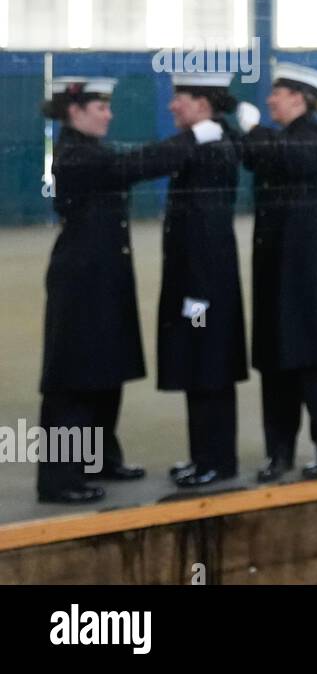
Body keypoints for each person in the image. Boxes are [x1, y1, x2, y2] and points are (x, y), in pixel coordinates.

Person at [37, 76, 221, 503]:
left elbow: (130, 162)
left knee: (105, 373)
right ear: (74, 111)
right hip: (80, 283)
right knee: (73, 381)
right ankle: (59, 480)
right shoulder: (75, 156)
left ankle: (100, 459)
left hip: (103, 278)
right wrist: (193, 137)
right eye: (100, 108)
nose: (109, 114)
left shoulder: (90, 149)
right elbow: (134, 166)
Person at [239, 63, 317, 482]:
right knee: (275, 361)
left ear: (299, 99)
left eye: (278, 93)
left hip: (303, 271)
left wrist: (252, 130)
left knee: (313, 360)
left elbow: (280, 156)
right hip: (275, 268)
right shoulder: (284, 136)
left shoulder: (311, 138)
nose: (270, 99)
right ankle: (279, 453)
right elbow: (255, 156)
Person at [160, 74, 248, 488]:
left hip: (204, 287)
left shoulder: (212, 149)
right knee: (199, 364)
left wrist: (197, 295)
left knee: (210, 367)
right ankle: (203, 457)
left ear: (202, 104)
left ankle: (217, 461)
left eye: (180, 98)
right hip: (198, 283)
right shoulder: (205, 142)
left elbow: (207, 227)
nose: (172, 106)